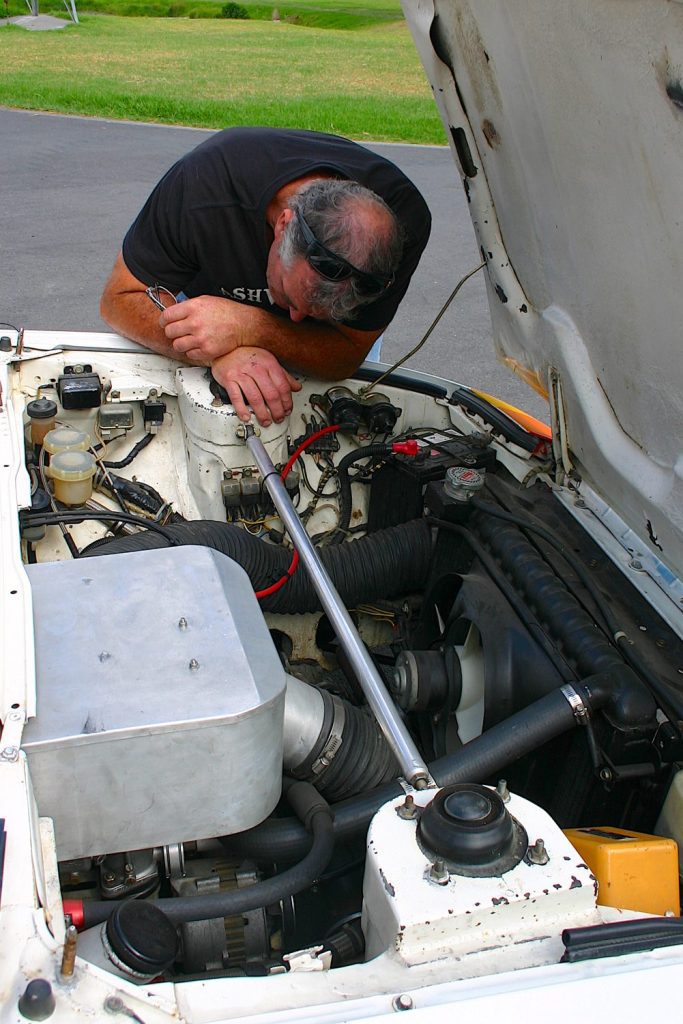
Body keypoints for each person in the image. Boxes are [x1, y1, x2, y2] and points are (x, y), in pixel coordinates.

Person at [100, 127, 431, 427]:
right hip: (206, 311)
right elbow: (121, 299)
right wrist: (214, 349)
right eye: (288, 296)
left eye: (322, 315)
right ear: (282, 226)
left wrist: (250, 329)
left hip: (300, 332)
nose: (295, 318)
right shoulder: (205, 185)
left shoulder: (404, 223)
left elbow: (346, 352)